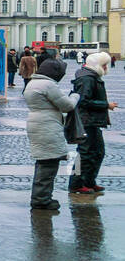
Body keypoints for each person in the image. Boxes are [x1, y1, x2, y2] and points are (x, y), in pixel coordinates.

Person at [23, 56, 78, 212]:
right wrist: (75, 96)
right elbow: (67, 106)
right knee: (48, 164)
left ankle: (40, 197)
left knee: (42, 162)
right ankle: (42, 200)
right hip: (47, 125)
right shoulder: (47, 84)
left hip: (37, 123)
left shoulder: (33, 83)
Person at [69, 52, 115, 195]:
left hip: (92, 121)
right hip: (86, 121)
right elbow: (84, 101)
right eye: (104, 65)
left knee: (97, 152)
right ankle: (76, 184)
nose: (106, 67)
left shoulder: (91, 76)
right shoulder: (87, 78)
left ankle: (89, 181)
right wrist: (105, 104)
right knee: (84, 153)